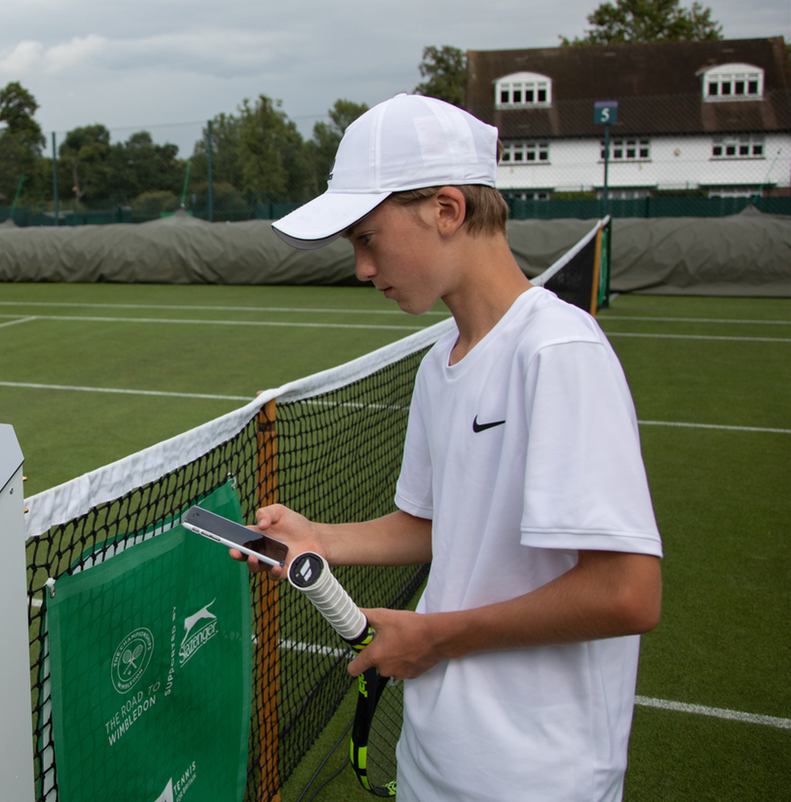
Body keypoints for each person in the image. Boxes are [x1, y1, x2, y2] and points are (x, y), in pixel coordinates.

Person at [247, 94, 663, 802]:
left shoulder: (558, 352)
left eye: (367, 238)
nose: (359, 267)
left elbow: (626, 594)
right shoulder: (441, 358)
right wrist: (317, 537)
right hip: (434, 758)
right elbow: (438, 525)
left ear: (446, 209)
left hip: (538, 776)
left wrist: (435, 635)